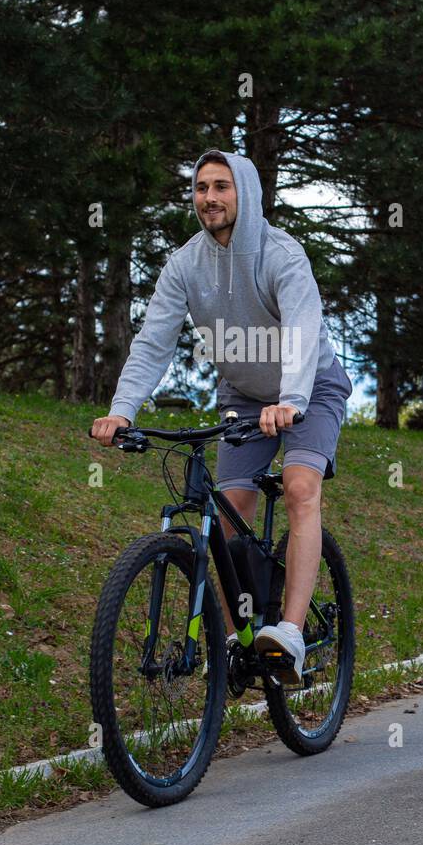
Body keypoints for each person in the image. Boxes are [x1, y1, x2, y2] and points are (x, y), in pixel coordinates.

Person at [90, 149, 353, 683]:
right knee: (229, 509)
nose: (209, 197)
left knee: (301, 488)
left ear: (245, 193)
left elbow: (302, 331)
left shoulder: (281, 254)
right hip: (244, 393)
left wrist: (293, 400)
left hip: (311, 386)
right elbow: (154, 342)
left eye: (221, 187)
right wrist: (122, 410)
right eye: (201, 187)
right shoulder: (185, 264)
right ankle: (240, 638)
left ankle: (292, 635)